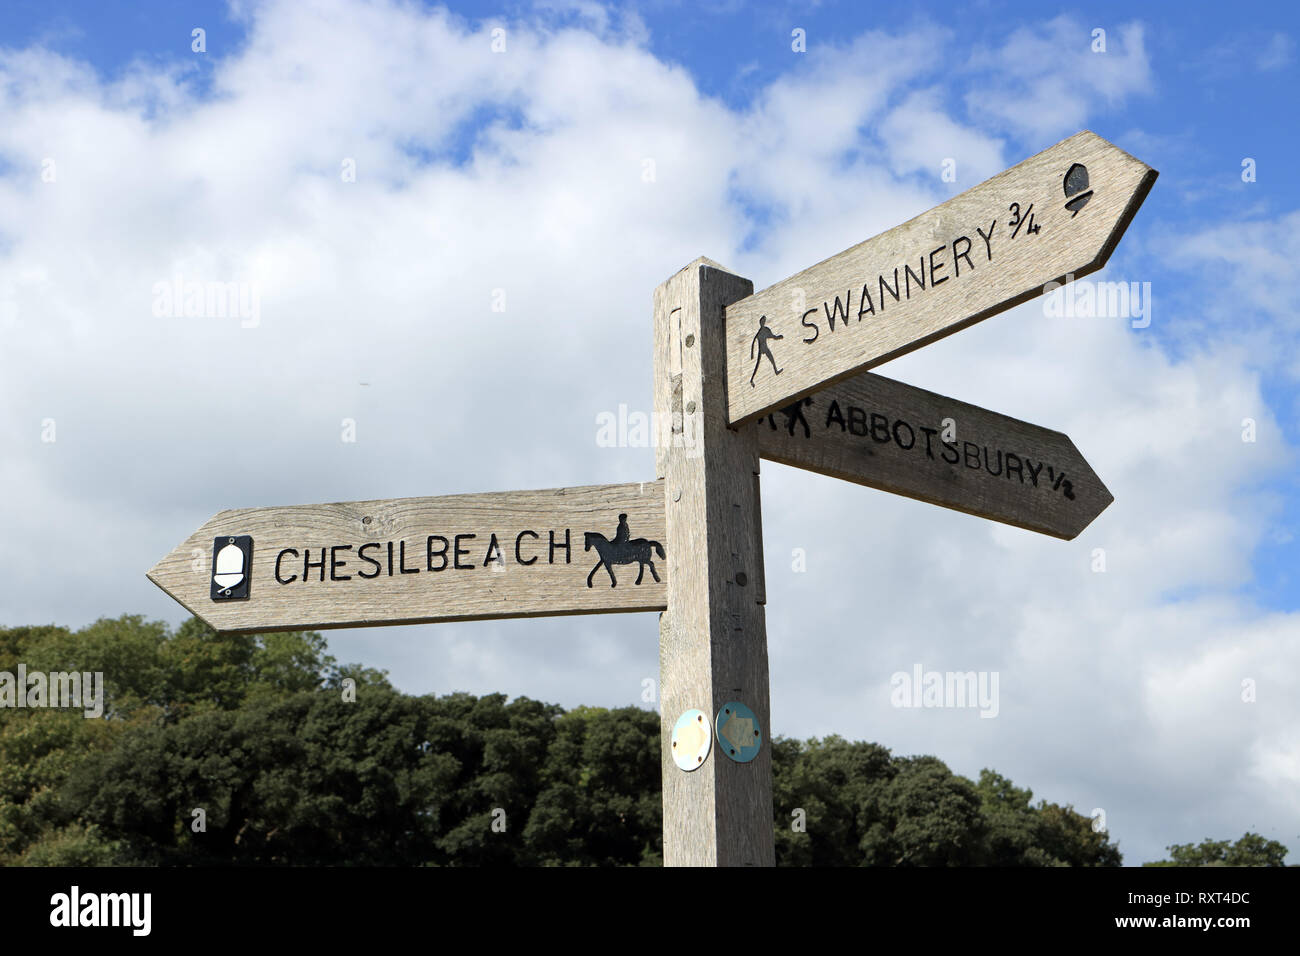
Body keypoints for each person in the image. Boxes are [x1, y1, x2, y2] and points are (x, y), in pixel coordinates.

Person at [750, 316, 782, 386]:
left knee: (772, 359)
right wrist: (752, 354)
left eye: (764, 321)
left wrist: (779, 337)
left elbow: (773, 336)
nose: (763, 323)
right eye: (762, 321)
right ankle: (751, 379)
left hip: (766, 348)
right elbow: (753, 343)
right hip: (761, 350)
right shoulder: (759, 333)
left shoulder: (766, 330)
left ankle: (776, 371)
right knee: (757, 365)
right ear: (760, 323)